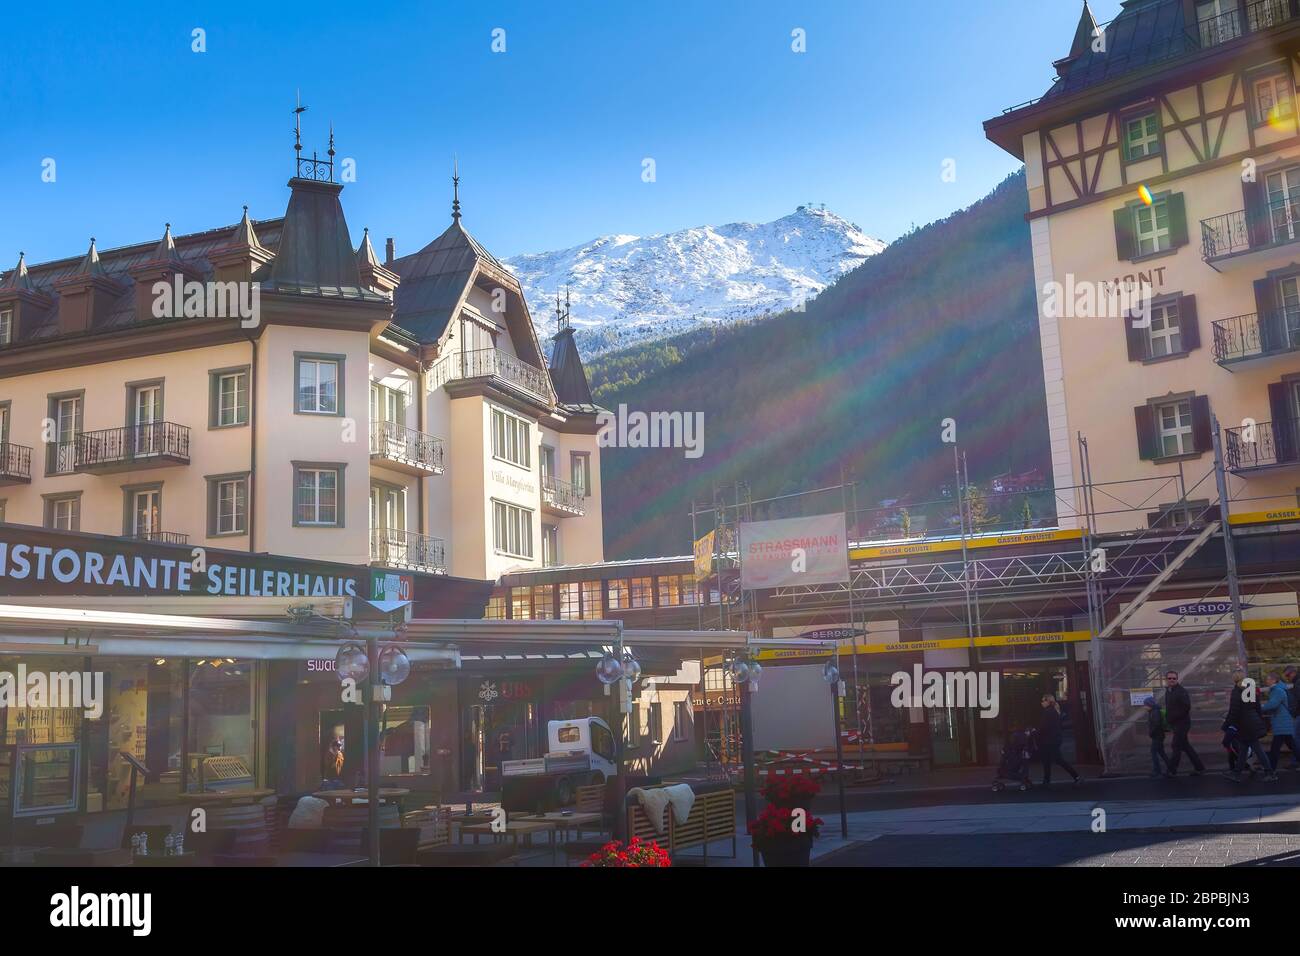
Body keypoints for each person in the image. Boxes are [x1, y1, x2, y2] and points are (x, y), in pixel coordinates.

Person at [1225, 670, 1278, 783]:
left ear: (1235, 679)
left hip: (1244, 725)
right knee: (1243, 749)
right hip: (1251, 723)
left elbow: (1234, 711)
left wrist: (1226, 725)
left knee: (1257, 749)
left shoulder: (1236, 691)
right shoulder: (1251, 690)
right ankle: (1237, 773)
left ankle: (1270, 772)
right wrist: (1259, 721)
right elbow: (1258, 708)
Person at [1163, 670, 1205, 776]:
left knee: (1176, 746)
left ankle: (1172, 770)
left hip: (1182, 724)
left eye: (1174, 678)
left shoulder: (1181, 691)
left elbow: (1186, 707)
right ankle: (1199, 768)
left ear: (1177, 679)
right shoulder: (1168, 691)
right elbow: (1169, 707)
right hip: (1175, 723)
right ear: (1166, 680)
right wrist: (1169, 719)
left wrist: (1173, 717)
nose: (1172, 680)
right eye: (1169, 678)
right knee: (1185, 746)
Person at [1037, 694, 1081, 786]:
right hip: (1054, 739)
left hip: (1050, 740)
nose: (1041, 702)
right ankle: (1046, 780)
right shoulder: (1054, 711)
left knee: (1056, 760)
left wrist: (1035, 732)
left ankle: (1076, 776)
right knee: (1048, 760)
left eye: (1043, 700)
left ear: (1048, 701)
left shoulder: (1048, 712)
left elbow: (1044, 727)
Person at [1262, 671, 1298, 772]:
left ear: (1274, 680)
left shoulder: (1278, 690)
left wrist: (1259, 708)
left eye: (1268, 679)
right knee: (1292, 746)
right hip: (1283, 723)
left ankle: (1270, 770)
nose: (1266, 681)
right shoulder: (1278, 689)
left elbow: (1273, 704)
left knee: (1275, 748)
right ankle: (1270, 769)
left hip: (1281, 723)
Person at [1144, 696, 1169, 777]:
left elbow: (1156, 724)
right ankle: (1171, 768)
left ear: (1150, 704)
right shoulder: (1153, 711)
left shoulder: (1155, 712)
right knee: (1161, 752)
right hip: (1159, 735)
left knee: (1153, 752)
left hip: (1157, 736)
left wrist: (1151, 732)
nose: (1144, 707)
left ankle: (1157, 771)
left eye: (1145, 705)